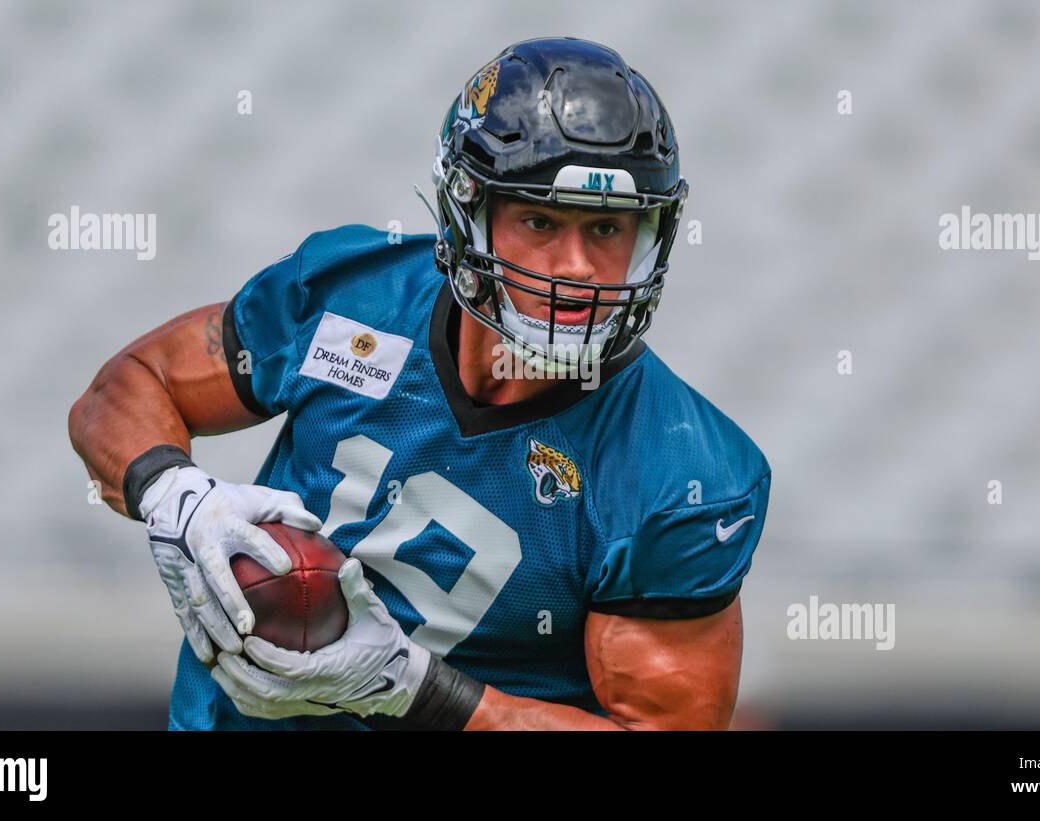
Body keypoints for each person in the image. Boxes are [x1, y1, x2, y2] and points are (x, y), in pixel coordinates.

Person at [69, 36, 771, 730]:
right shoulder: (355, 298)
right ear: (469, 212)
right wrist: (178, 497)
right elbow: (134, 381)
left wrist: (414, 689)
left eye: (608, 229)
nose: (579, 266)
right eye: (540, 220)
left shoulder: (679, 474)